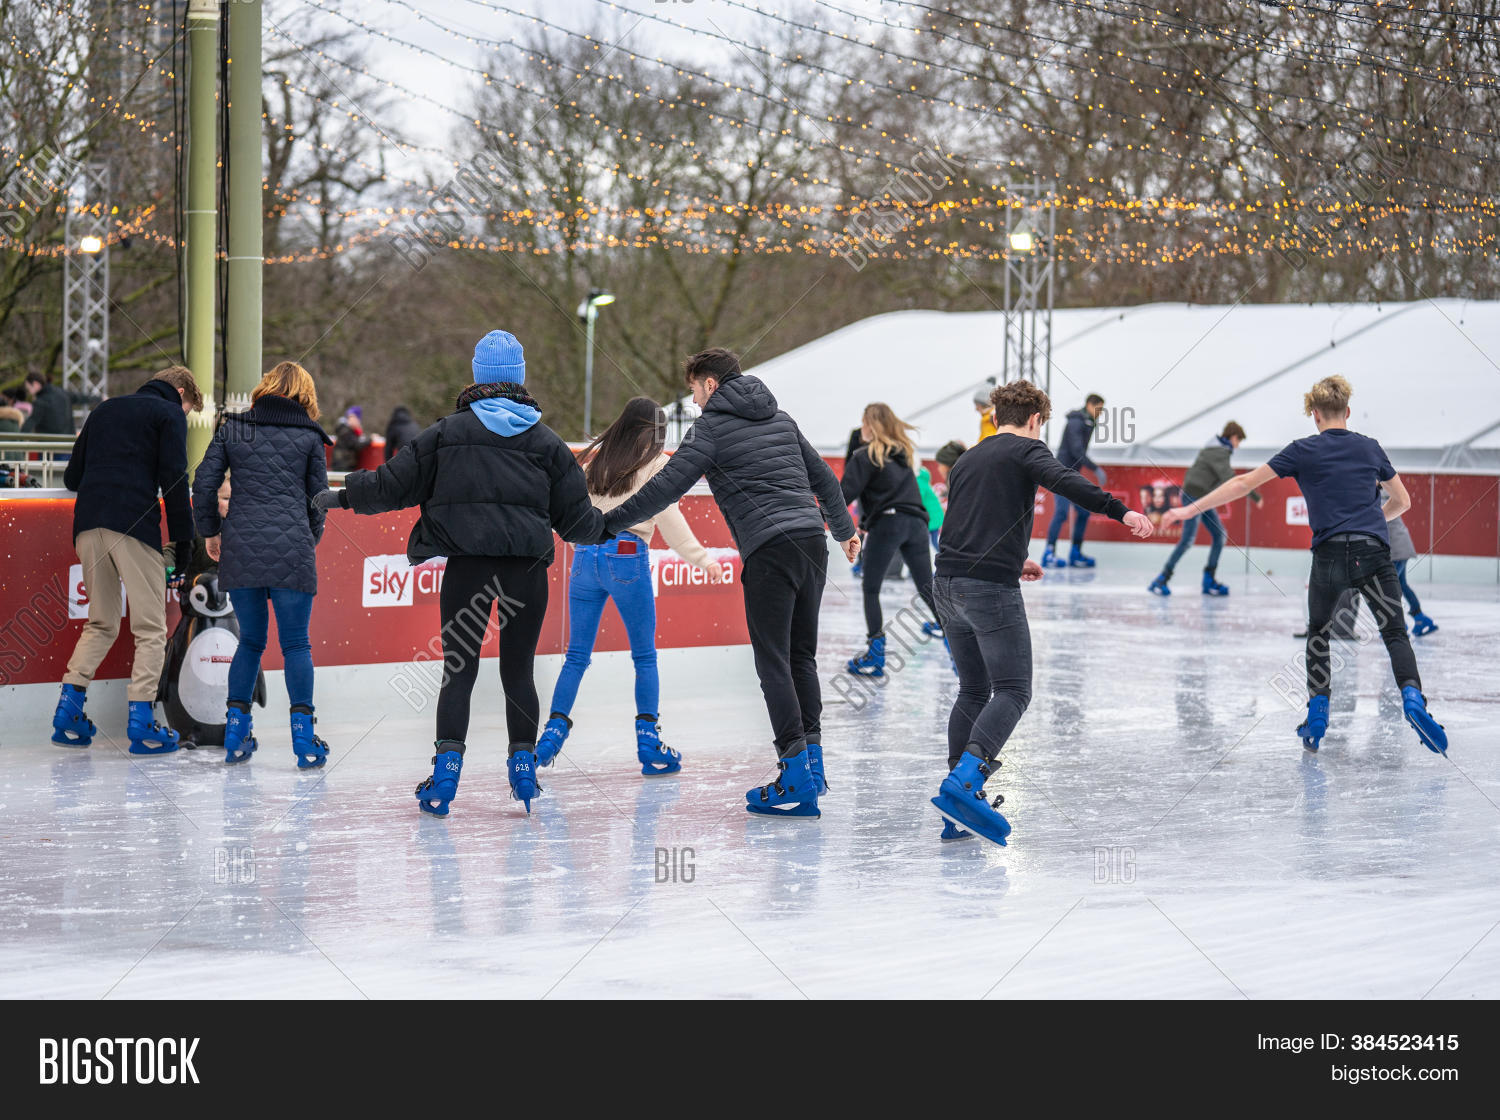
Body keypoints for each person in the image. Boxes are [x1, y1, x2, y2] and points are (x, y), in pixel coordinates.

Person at [316, 329, 606, 816]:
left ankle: (446, 773)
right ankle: (524, 769)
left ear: (477, 377)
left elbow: (391, 486)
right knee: (519, 672)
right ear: (519, 378)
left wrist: (340, 496)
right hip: (526, 575)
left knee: (459, 671)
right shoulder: (548, 443)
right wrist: (613, 524)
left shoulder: (447, 434)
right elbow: (578, 522)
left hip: (468, 571)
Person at [598, 347, 858, 819]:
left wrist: (609, 522)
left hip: (770, 549)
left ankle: (796, 774)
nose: (693, 401)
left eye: (695, 389)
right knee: (801, 656)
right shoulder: (781, 419)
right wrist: (845, 532)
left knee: (774, 660)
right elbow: (825, 479)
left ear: (710, 384)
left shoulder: (711, 428)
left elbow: (666, 487)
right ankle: (813, 767)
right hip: (811, 545)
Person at [1161, 375, 1446, 755]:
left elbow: (1243, 483)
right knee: (1394, 632)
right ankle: (1412, 699)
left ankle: (1318, 709)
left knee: (1318, 633)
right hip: (1374, 553)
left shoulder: (1302, 450)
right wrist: (1376, 520)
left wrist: (1186, 508)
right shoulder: (1370, 449)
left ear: (1314, 415)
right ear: (1347, 411)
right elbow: (1403, 501)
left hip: (1328, 554)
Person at [930, 381, 1153, 846]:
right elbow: (1067, 481)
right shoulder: (1027, 450)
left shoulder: (970, 457)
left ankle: (957, 806)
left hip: (946, 583)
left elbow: (962, 523)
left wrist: (1015, 559)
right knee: (1012, 689)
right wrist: (1121, 511)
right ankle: (966, 783)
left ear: (998, 413)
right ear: (1035, 420)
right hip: (987, 588)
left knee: (973, 689)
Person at [535, 397, 724, 776]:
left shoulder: (598, 460)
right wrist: (704, 560)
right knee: (644, 656)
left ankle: (550, 739)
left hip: (585, 559)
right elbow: (669, 518)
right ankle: (649, 742)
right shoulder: (655, 464)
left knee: (576, 656)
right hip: (627, 556)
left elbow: (571, 514)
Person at [52, 366, 203, 753]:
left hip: (87, 526)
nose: (183, 416)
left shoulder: (103, 411)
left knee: (101, 622)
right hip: (133, 528)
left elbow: (72, 478)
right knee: (150, 629)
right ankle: (142, 723)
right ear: (181, 391)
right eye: (188, 409)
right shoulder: (167, 414)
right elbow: (174, 481)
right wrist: (184, 544)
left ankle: (68, 711)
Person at [193, 362, 333, 768]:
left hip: (241, 546)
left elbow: (204, 482)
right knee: (296, 644)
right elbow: (318, 499)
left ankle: (236, 733)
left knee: (251, 641)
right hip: (293, 549)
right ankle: (305, 742)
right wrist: (307, 538)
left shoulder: (233, 428)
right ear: (304, 395)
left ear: (266, 389)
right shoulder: (309, 437)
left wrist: (211, 531)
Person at [840, 402, 940, 677]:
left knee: (871, 588)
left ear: (870, 425)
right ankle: (958, 640)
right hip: (917, 524)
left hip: (889, 523)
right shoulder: (902, 456)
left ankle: (876, 652)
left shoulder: (865, 456)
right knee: (926, 585)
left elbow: (842, 495)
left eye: (863, 423)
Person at [1148, 421, 1264, 597]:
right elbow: (1230, 479)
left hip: (1201, 496)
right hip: (1194, 496)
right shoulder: (1219, 451)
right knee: (1187, 540)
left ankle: (1208, 579)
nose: (1238, 446)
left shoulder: (1216, 448)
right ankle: (1161, 578)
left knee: (1219, 535)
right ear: (1233, 437)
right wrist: (1255, 496)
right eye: (1238, 441)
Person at [1042, 393, 1107, 568]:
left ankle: (1075, 553)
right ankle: (1048, 553)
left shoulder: (1088, 422)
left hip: (1072, 475)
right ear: (1090, 405)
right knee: (1061, 513)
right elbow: (1077, 451)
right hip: (1061, 475)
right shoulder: (1076, 423)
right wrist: (1095, 468)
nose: (1101, 413)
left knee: (1084, 512)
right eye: (1099, 409)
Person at [1386, 499, 1438, 636]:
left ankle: (1398, 625)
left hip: (1397, 550)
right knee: (1401, 585)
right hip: (1400, 548)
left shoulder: (1379, 498)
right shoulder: (1387, 495)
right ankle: (1420, 618)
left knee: (1390, 589)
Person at [331, 406, 371, 471]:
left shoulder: (353, 431)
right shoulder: (344, 429)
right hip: (341, 465)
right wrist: (370, 439)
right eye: (350, 417)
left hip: (348, 465)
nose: (351, 420)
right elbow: (356, 444)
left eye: (354, 417)